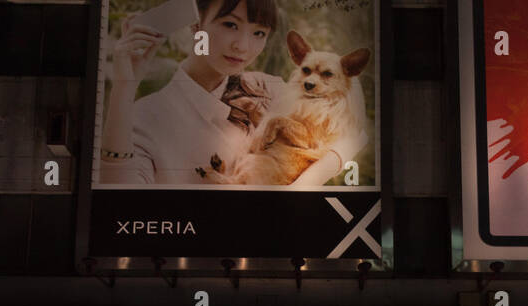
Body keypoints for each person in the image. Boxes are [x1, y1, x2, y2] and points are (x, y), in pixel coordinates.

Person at [98, 0, 364, 185]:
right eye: (230, 25)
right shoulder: (145, 115)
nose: (243, 46)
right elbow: (117, 202)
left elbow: (356, 136)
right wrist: (124, 87)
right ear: (195, 27)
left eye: (259, 32)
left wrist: (302, 187)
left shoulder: (269, 87)